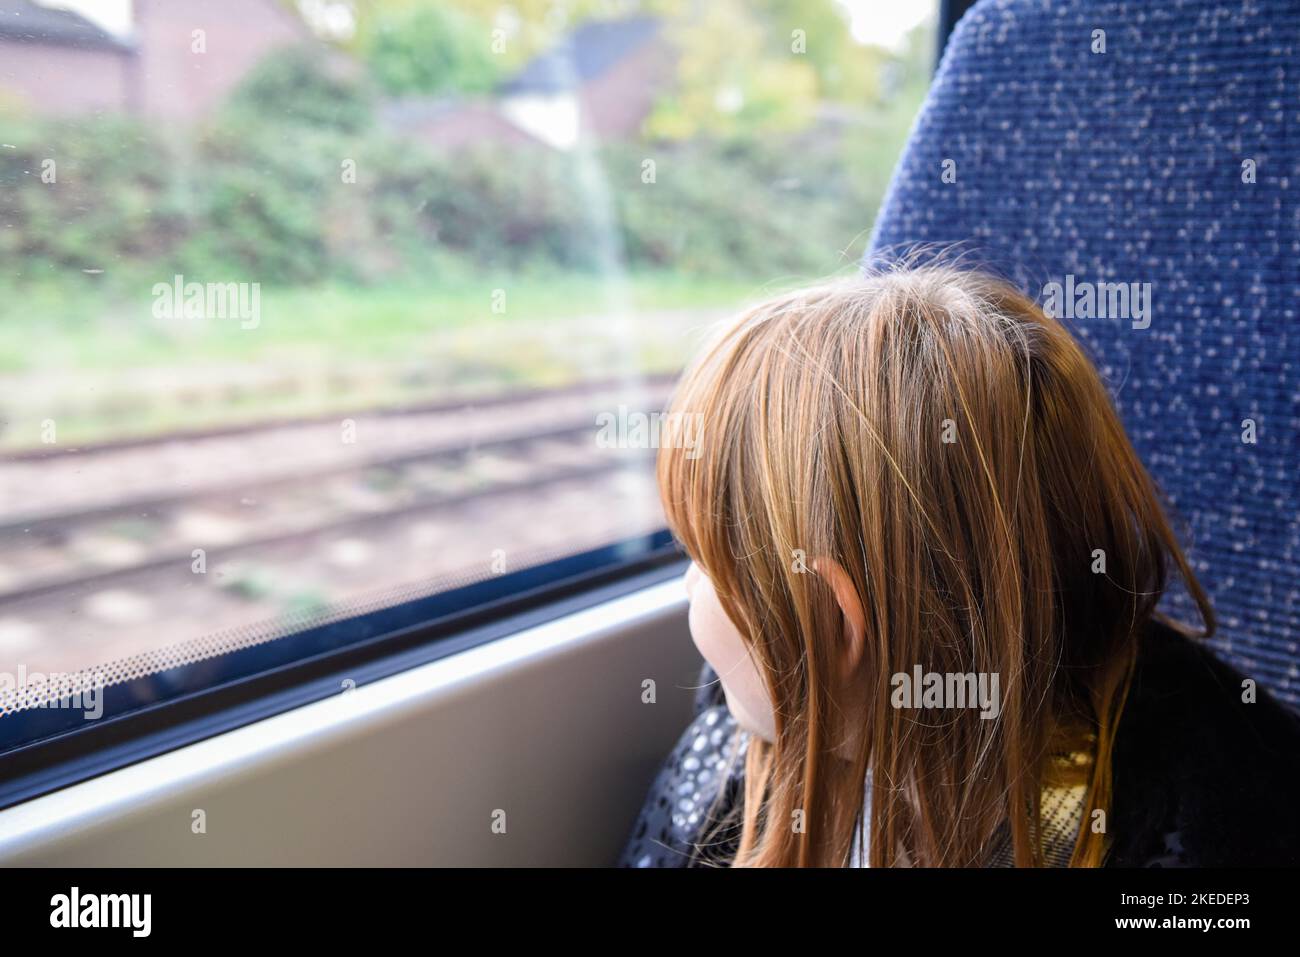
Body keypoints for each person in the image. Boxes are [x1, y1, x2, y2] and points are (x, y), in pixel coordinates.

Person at [620, 263, 1300, 867]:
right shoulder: (736, 762)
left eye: (703, 560)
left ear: (836, 619)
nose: (688, 586)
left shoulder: (1218, 815)